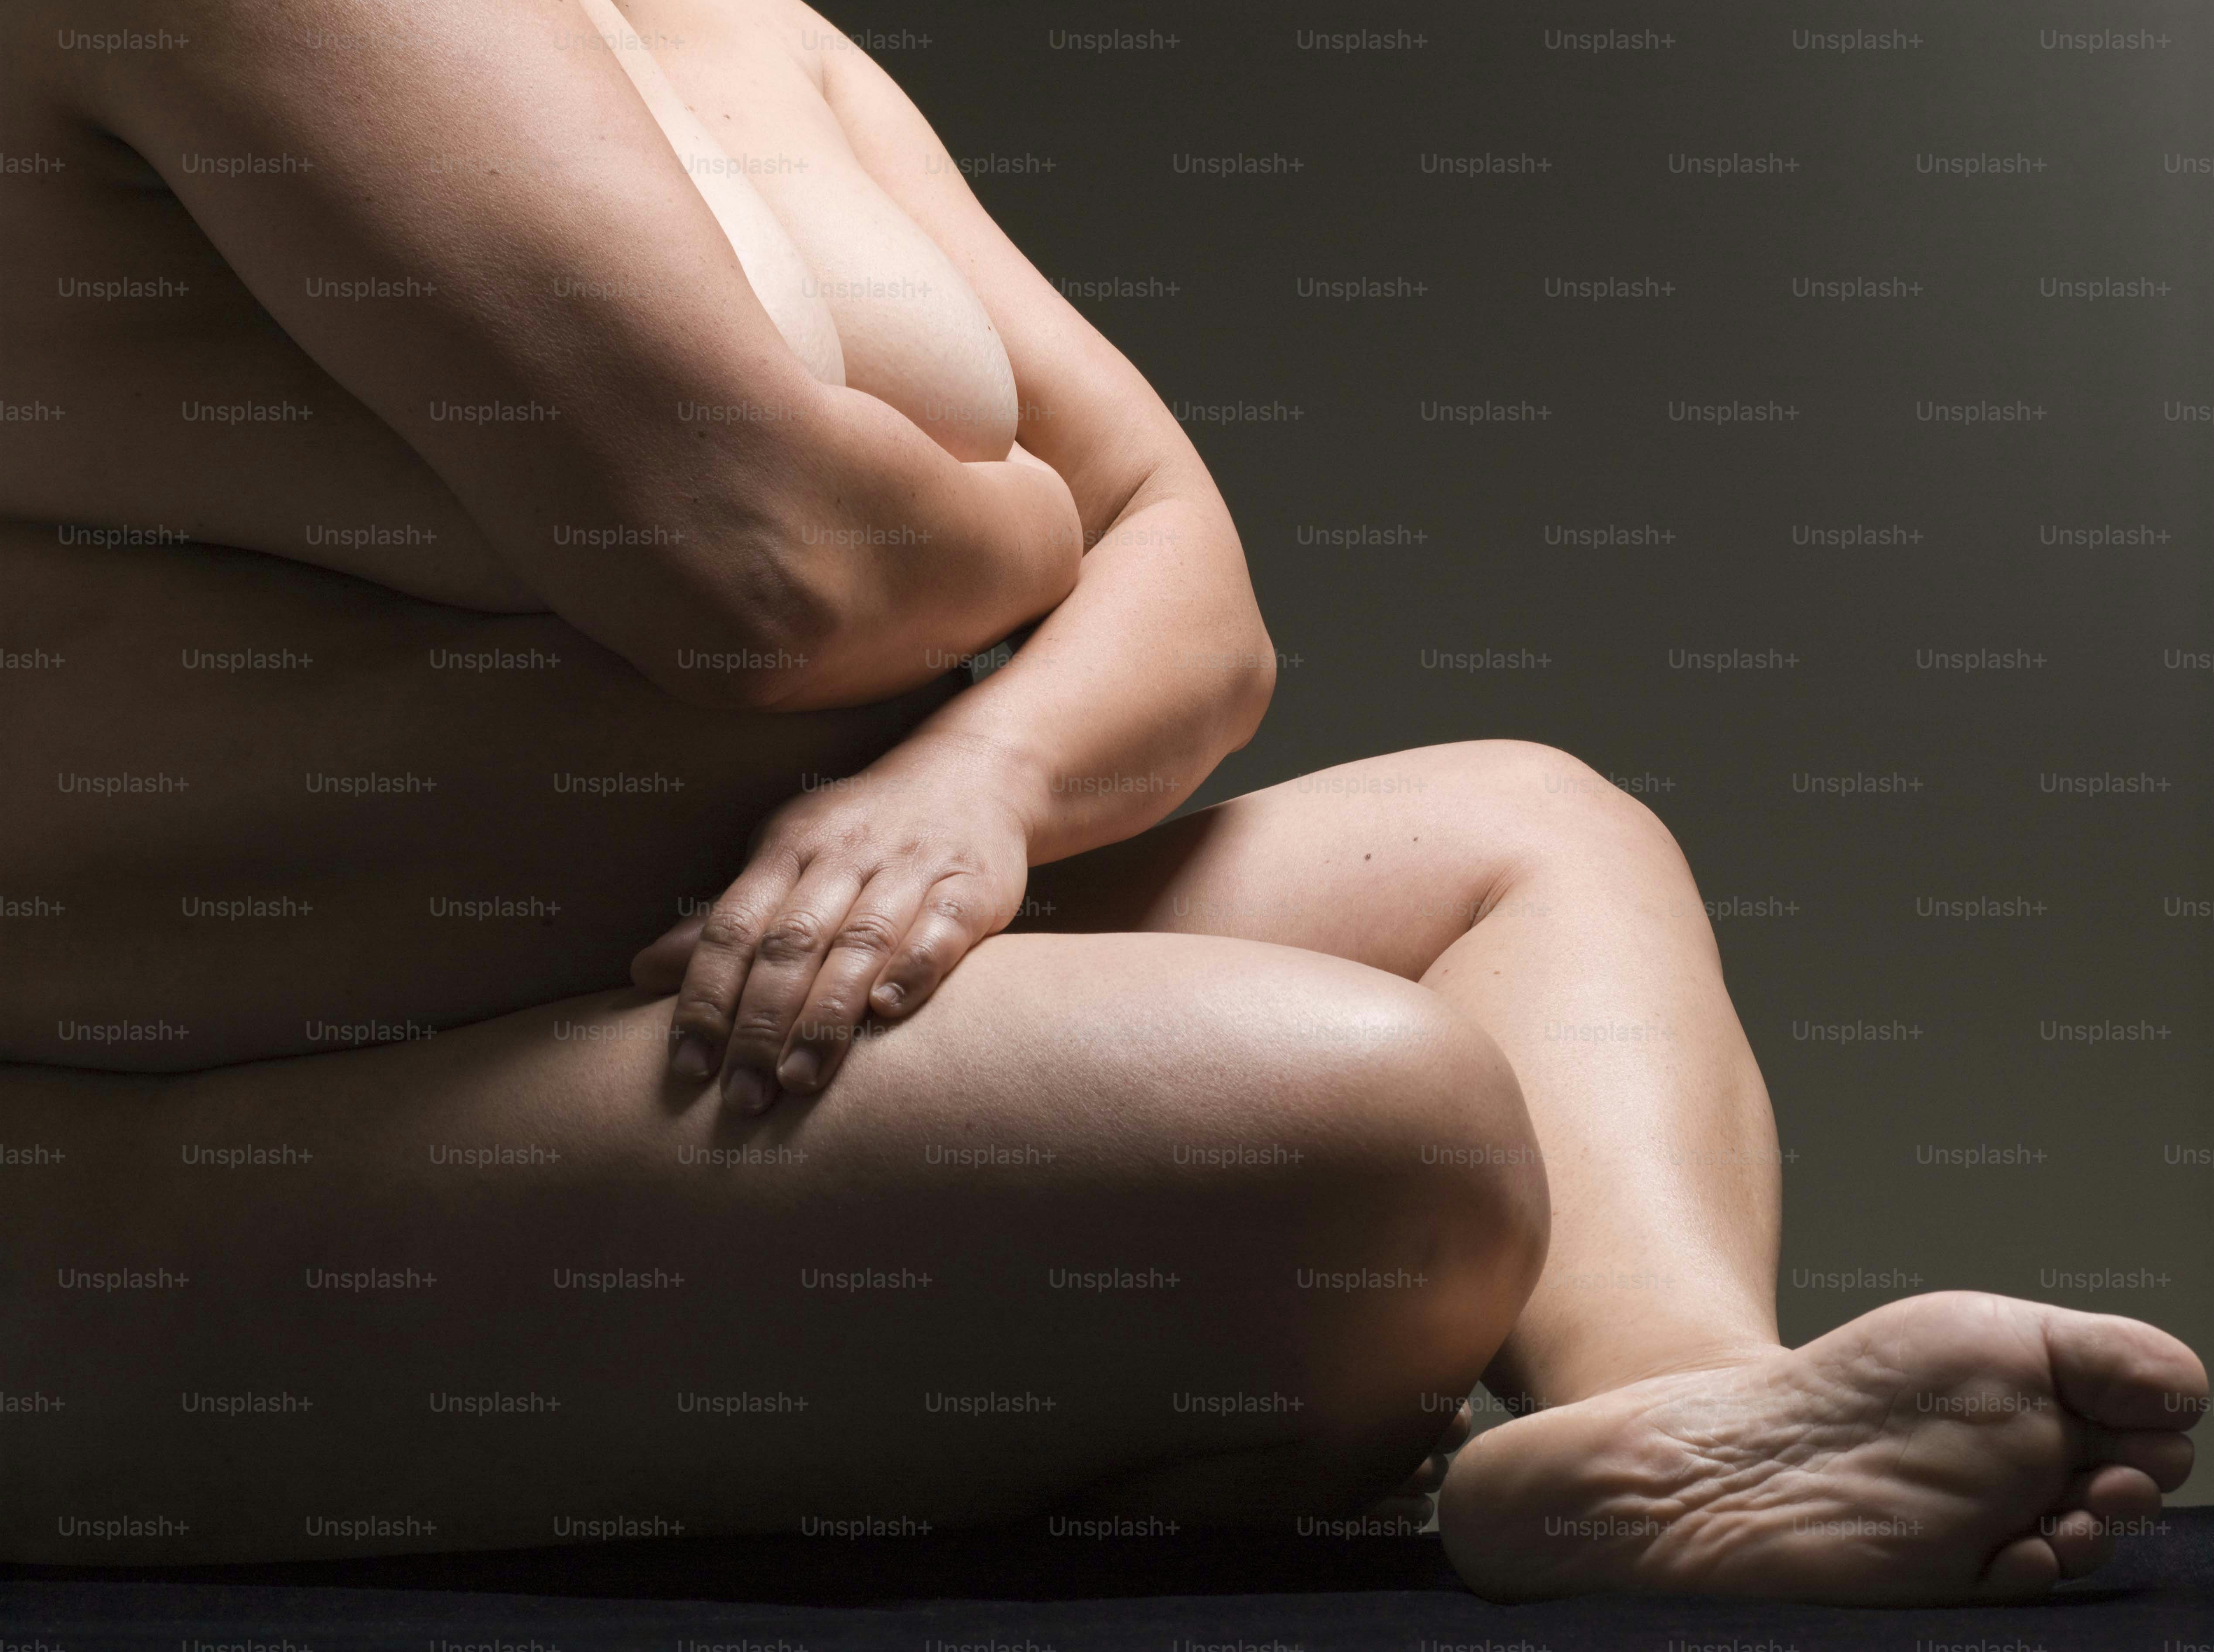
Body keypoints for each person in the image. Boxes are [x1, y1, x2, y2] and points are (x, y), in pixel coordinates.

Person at [0, 0, 2199, 1600]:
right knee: (1370, 1127)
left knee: (1534, 829)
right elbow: (767, 575)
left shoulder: (759, 34)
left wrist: (983, 760)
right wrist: (1037, 534)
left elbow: (1199, 584)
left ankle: (1671, 1413)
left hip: (688, 1012)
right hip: (202, 1132)